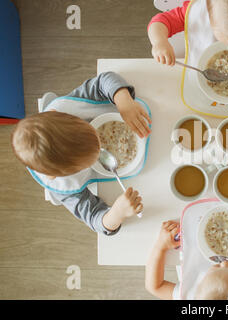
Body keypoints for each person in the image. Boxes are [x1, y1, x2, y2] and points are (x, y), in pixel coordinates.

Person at [11, 72, 151, 235]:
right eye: (90, 158)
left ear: (60, 113)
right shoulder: (62, 185)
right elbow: (94, 218)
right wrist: (117, 213)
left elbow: (104, 81)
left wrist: (123, 100)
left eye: (92, 131)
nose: (101, 146)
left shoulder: (67, 109)